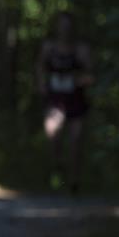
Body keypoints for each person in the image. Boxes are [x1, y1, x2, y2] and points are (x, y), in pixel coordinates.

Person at [35, 11, 93, 193]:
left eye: (68, 26)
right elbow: (39, 67)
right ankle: (57, 169)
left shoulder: (81, 49)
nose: (64, 30)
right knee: (53, 135)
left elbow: (92, 75)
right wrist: (42, 84)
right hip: (55, 99)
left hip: (75, 99)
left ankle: (74, 181)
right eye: (61, 25)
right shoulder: (49, 48)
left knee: (76, 141)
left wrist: (77, 80)